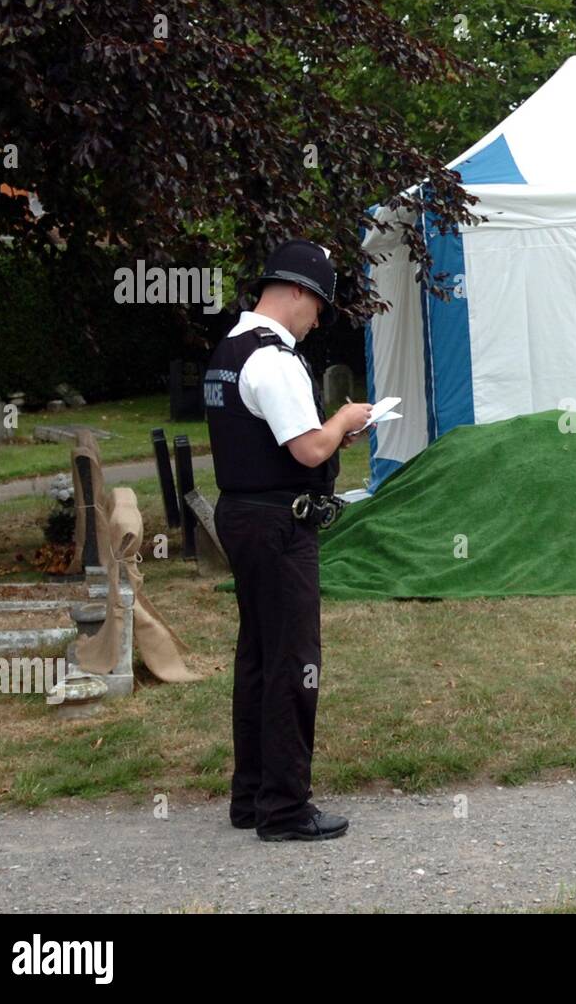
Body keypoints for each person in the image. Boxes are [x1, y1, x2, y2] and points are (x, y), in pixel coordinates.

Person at [203, 239, 372, 841]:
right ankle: (284, 808)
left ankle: (250, 796)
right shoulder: (273, 357)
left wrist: (329, 436)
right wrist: (347, 421)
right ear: (296, 292)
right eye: (319, 304)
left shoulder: (229, 348)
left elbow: (281, 441)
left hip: (243, 515)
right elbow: (307, 449)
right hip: (280, 525)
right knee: (295, 662)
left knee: (256, 657)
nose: (319, 318)